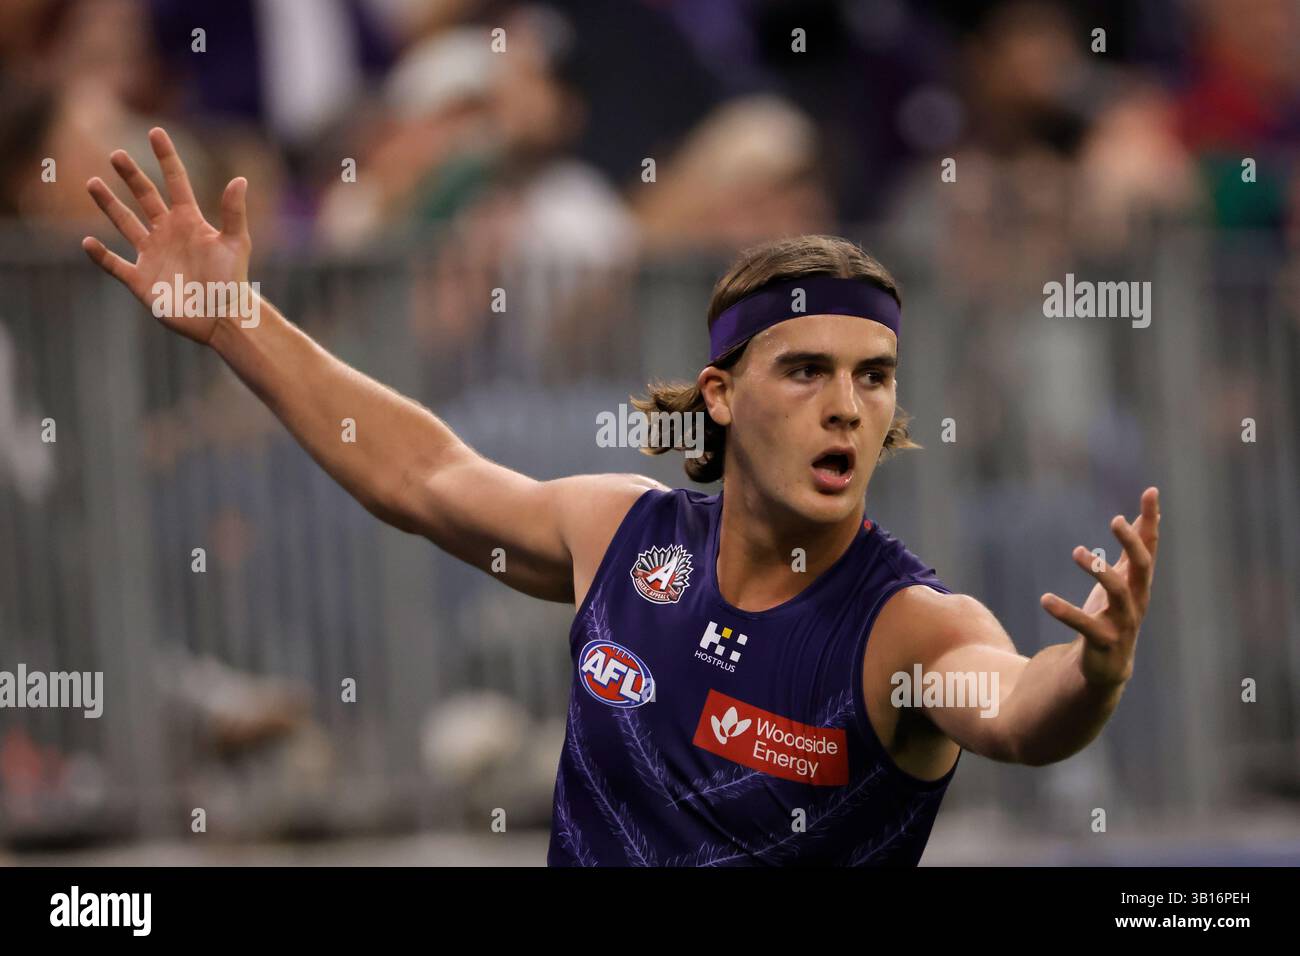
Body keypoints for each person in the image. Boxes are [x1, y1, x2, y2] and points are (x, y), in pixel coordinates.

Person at [80, 128, 1160, 866]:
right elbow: (419, 471)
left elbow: (1019, 710)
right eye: (806, 370)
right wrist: (232, 317)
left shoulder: (907, 626)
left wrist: (1095, 674)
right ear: (721, 396)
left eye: (872, 376)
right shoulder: (619, 534)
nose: (846, 405)